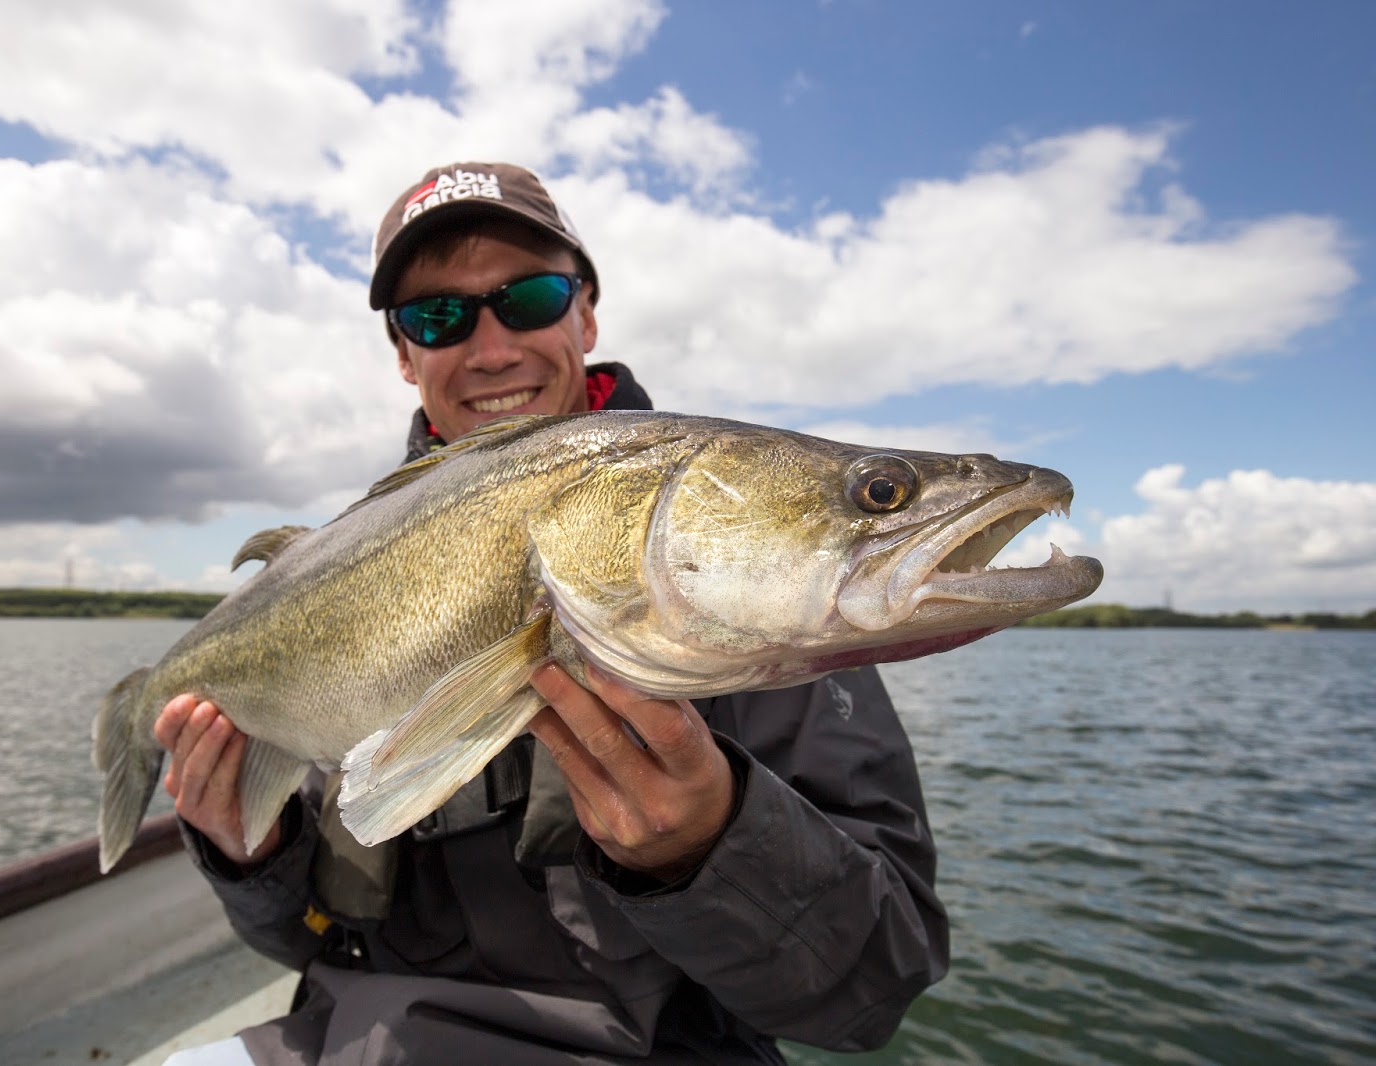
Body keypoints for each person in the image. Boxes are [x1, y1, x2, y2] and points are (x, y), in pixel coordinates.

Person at [154, 162, 949, 1065]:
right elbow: (299, 941)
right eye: (438, 316)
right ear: (405, 355)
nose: (491, 347)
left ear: (586, 314)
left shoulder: (773, 632)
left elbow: (873, 992)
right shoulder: (336, 579)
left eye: (528, 297)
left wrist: (710, 849)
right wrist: (247, 856)